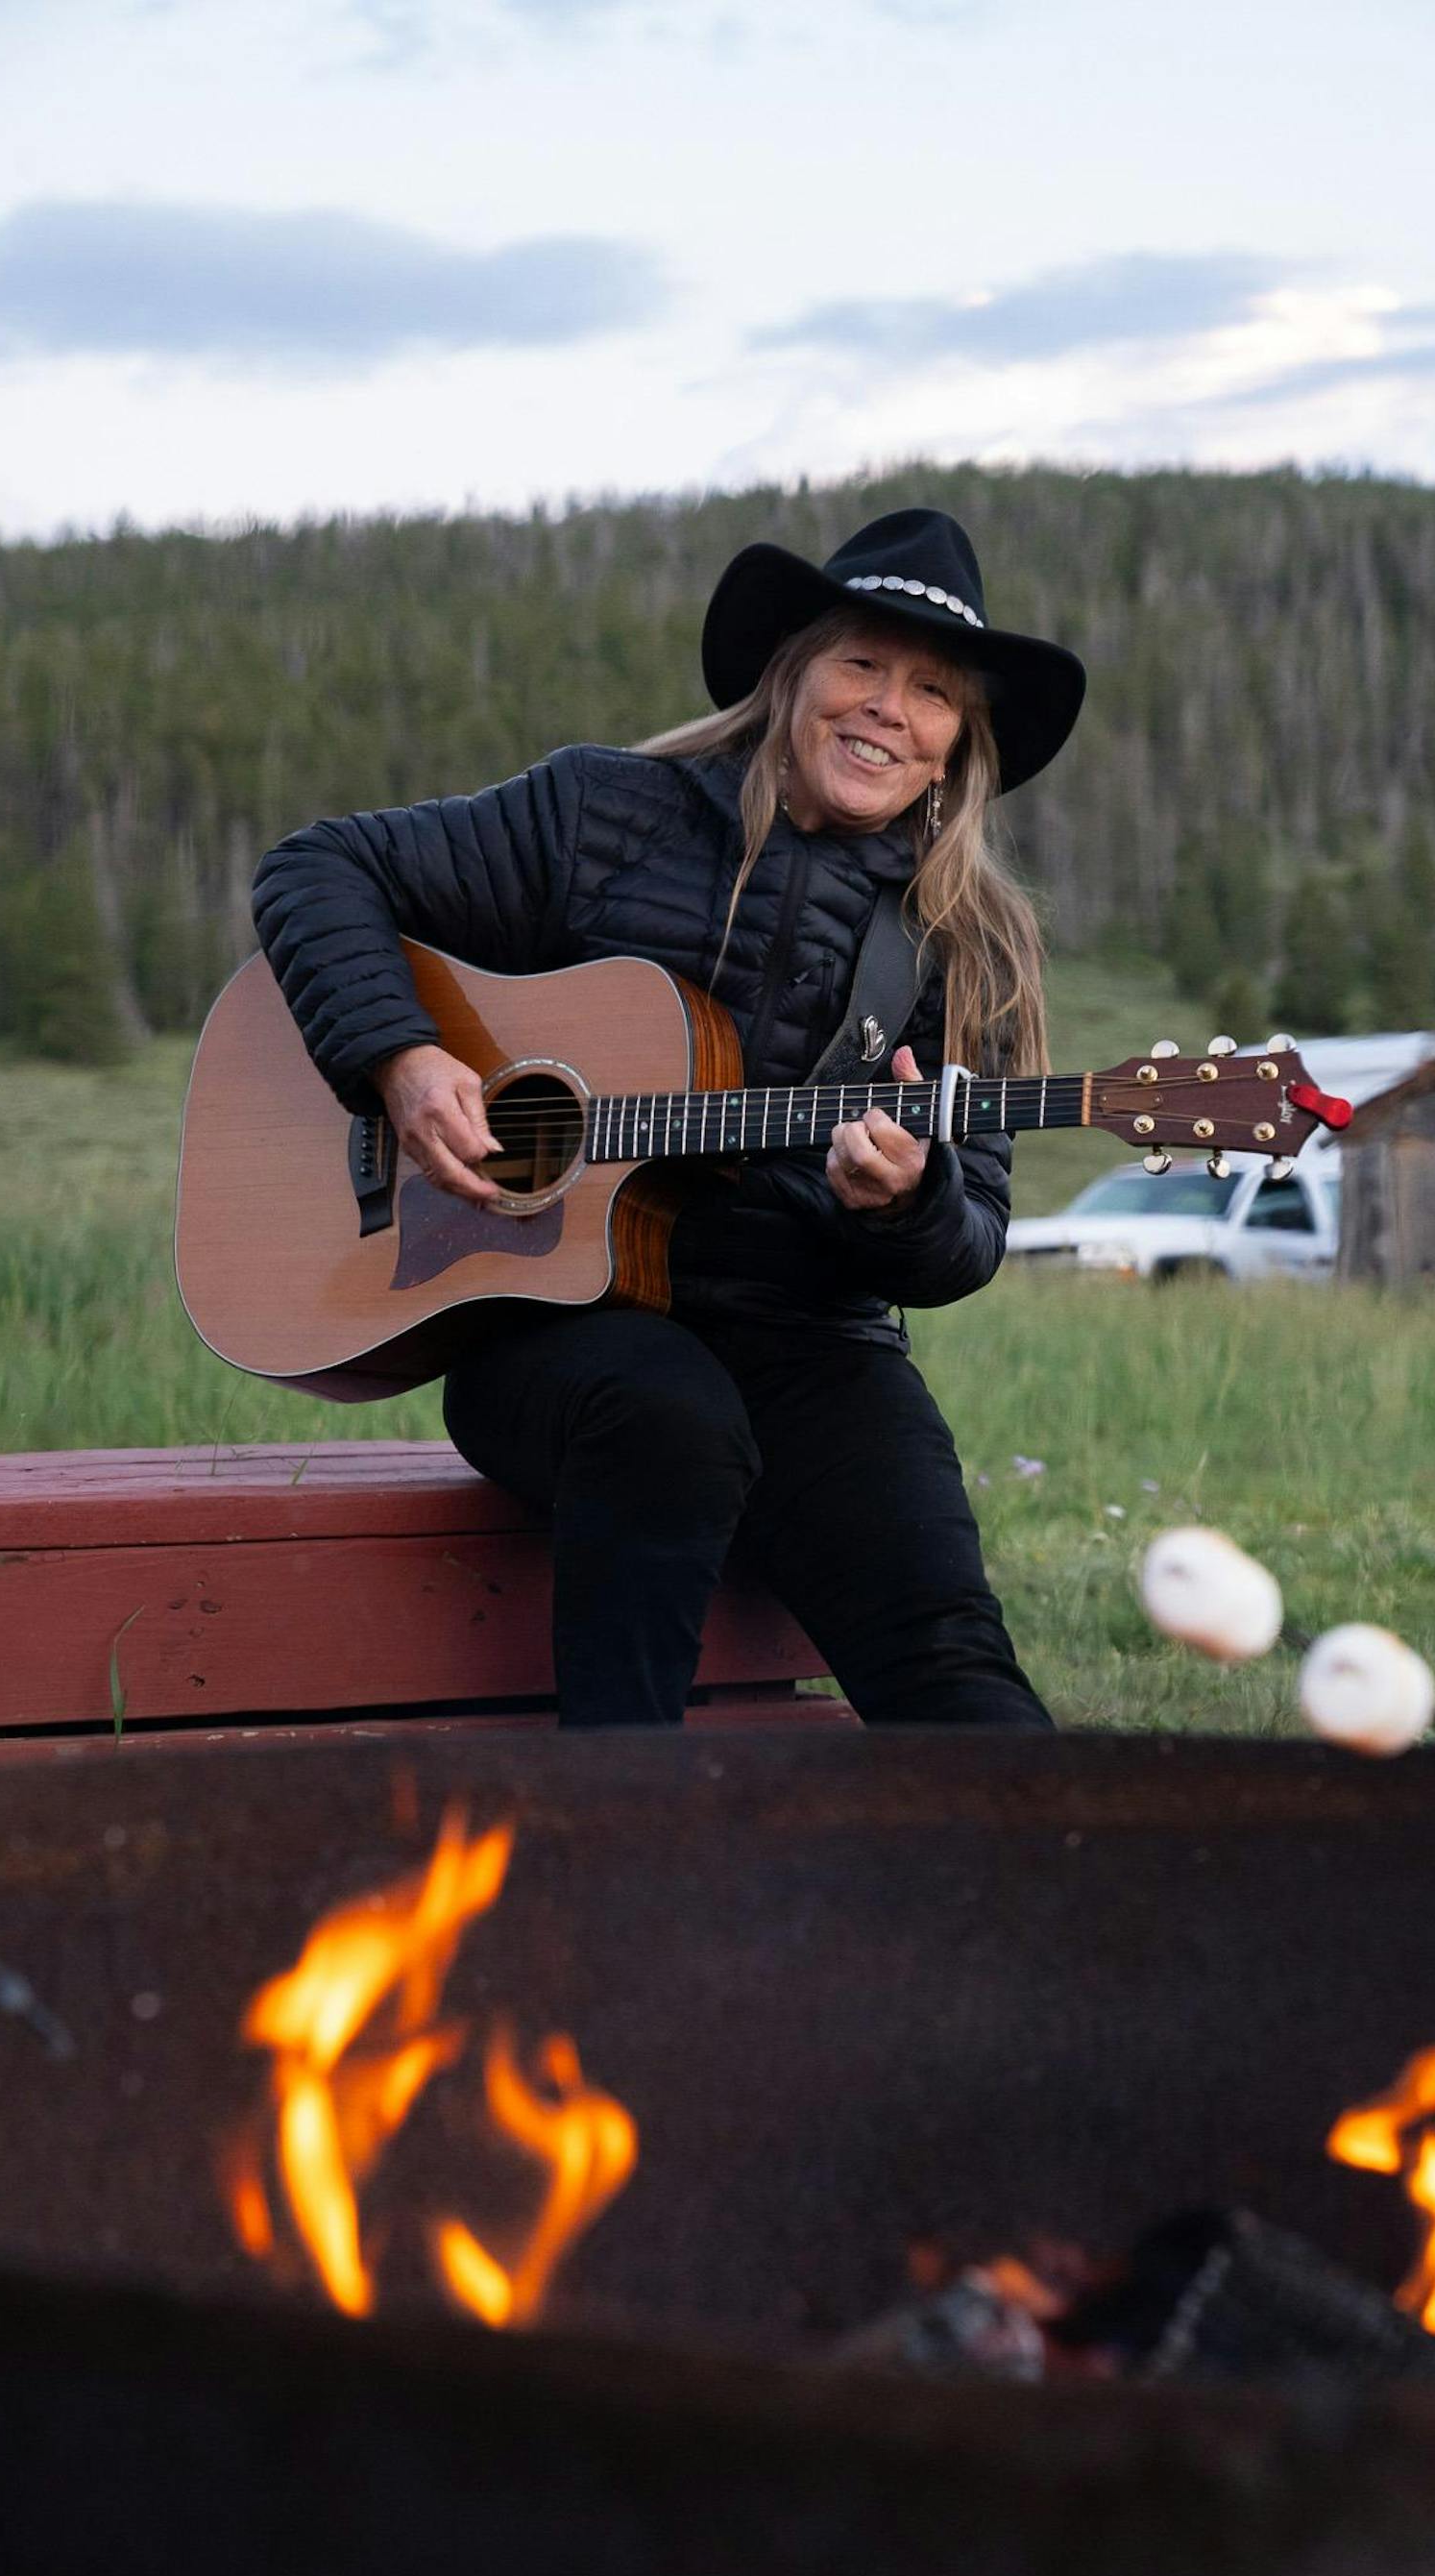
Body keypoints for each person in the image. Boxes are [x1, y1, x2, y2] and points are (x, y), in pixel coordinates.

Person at [252, 506, 1086, 1730]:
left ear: (958, 746)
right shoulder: (605, 813)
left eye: (932, 692)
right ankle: (623, 1812)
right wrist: (400, 1057)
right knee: (670, 1420)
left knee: (952, 1660)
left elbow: (968, 1243)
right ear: (791, 672)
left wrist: (910, 1203)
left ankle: (1050, 1850)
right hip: (548, 1326)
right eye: (860, 662)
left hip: (809, 1342)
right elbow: (314, 868)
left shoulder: (968, 945)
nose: (887, 709)